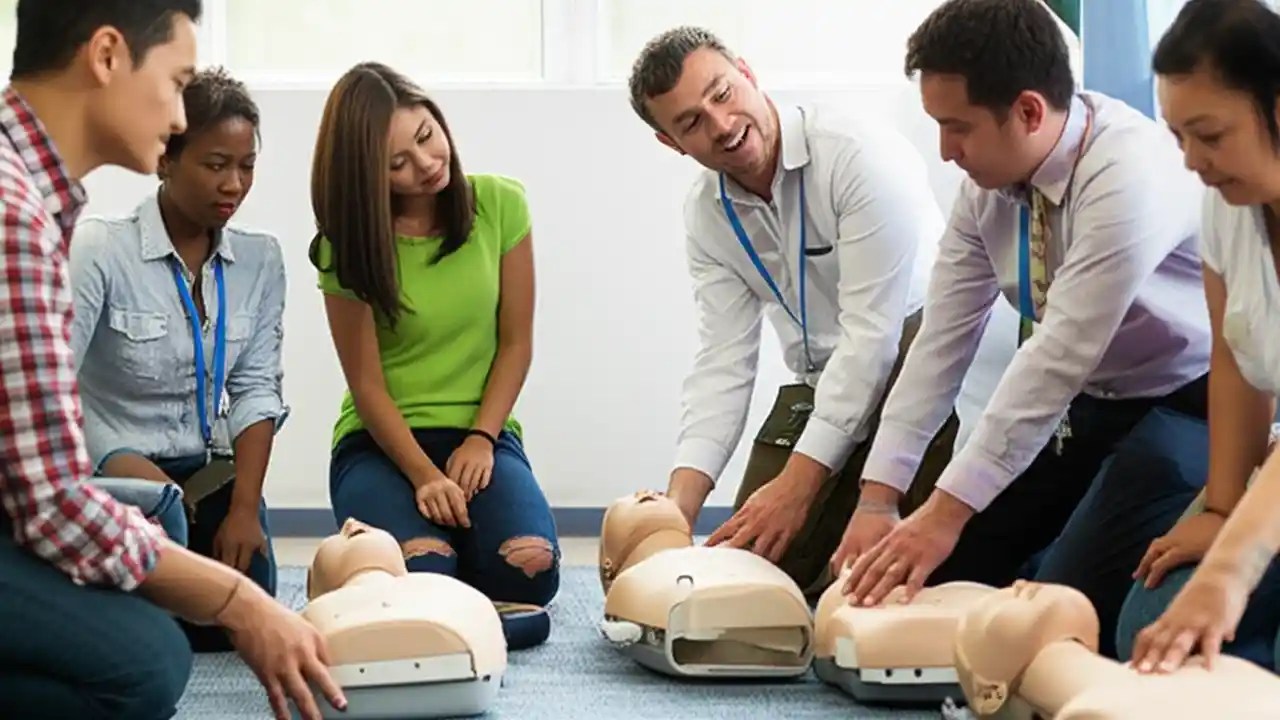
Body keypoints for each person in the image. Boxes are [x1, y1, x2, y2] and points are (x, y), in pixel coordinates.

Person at [836, 0, 1215, 659]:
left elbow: (1055, 356)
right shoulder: (991, 182)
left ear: (1031, 112)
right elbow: (941, 339)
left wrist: (942, 513)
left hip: (1192, 403)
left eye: (957, 129)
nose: (945, 152)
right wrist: (881, 498)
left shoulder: (1128, 174)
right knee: (949, 574)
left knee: (1055, 607)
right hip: (1093, 402)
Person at [0, 2, 344, 720]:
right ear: (106, 57)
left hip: (152, 475)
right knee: (152, 661)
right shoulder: (21, 217)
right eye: (175, 77)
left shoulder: (31, 198)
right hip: (87, 482)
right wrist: (238, 600)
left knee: (162, 632)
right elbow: (51, 501)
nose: (176, 111)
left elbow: (254, 386)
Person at [625, 25, 985, 597]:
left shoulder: (856, 155)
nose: (721, 125)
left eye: (721, 94)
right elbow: (722, 362)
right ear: (671, 144)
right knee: (744, 577)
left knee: (858, 585)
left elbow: (874, 338)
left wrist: (799, 486)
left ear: (746, 72)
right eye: (690, 122)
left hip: (921, 366)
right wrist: (673, 517)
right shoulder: (706, 215)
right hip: (821, 386)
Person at [309, 62, 560, 619]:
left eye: (426, 137)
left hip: (481, 437)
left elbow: (516, 343)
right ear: (367, 175)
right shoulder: (343, 247)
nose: (425, 165)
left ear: (437, 120)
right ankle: (357, 569)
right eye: (397, 163)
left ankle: (436, 589)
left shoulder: (500, 205)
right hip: (382, 446)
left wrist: (481, 438)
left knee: (531, 567)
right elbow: (366, 385)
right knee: (421, 569)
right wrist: (424, 474)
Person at [69, 66, 285, 653]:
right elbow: (53, 386)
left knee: (243, 604)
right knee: (162, 607)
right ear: (166, 159)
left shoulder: (261, 261)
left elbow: (256, 388)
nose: (233, 185)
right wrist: (116, 459)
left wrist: (244, 508)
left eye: (246, 167)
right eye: (216, 165)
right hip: (113, 470)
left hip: (204, 467)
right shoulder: (100, 250)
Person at [1120, 0, 1280, 675]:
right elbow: (1234, 359)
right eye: (1178, 136)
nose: (1191, 160)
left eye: (1209, 135)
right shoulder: (1228, 204)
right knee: (1153, 628)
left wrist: (1228, 574)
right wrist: (1219, 509)